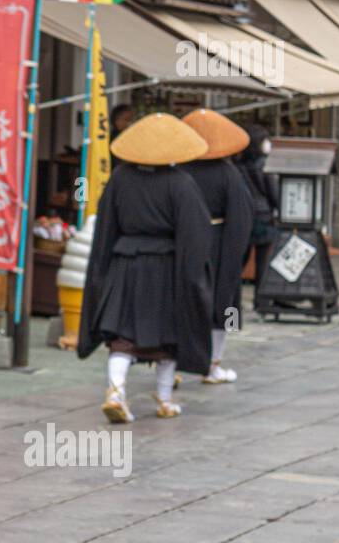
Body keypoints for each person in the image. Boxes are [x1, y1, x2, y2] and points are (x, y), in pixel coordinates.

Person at [78, 113, 213, 422]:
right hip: (165, 268)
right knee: (167, 337)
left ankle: (116, 390)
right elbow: (195, 234)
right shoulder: (181, 183)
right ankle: (164, 400)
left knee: (122, 336)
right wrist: (194, 277)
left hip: (125, 265)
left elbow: (105, 228)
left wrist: (103, 270)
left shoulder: (120, 178)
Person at [180, 109, 254, 385]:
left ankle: (172, 365)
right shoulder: (228, 173)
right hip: (219, 243)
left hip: (183, 243)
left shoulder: (178, 170)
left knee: (182, 301)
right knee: (223, 304)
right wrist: (238, 255)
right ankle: (213, 365)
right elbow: (243, 217)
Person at [236, 124, 278, 282]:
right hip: (264, 216)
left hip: (243, 215)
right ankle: (261, 299)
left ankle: (232, 300)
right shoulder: (265, 165)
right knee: (263, 260)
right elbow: (273, 193)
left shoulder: (237, 165)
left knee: (240, 259)